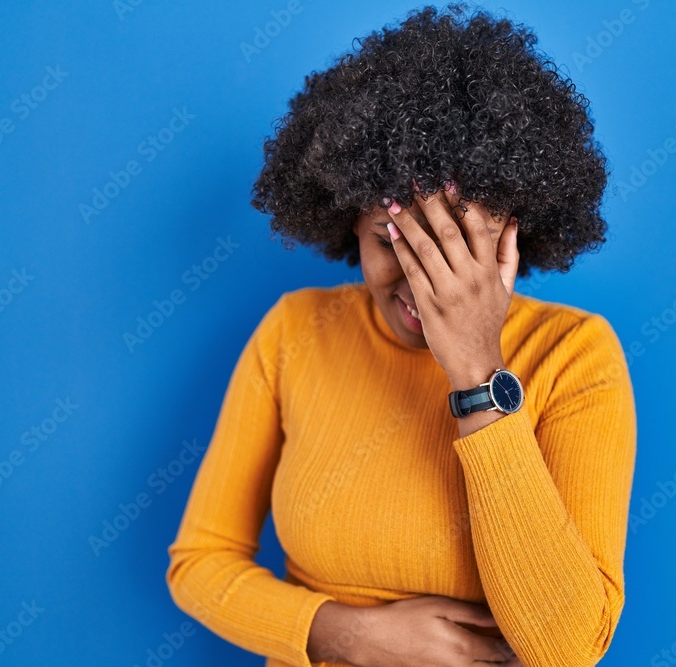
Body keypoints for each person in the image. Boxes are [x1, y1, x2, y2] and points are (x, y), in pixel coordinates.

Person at [165, 3, 637, 666]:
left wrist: (476, 371)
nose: (423, 279)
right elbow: (200, 562)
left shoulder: (575, 356)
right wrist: (351, 633)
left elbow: (566, 648)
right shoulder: (295, 332)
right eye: (393, 240)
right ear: (349, 225)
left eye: (455, 243)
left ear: (510, 234)